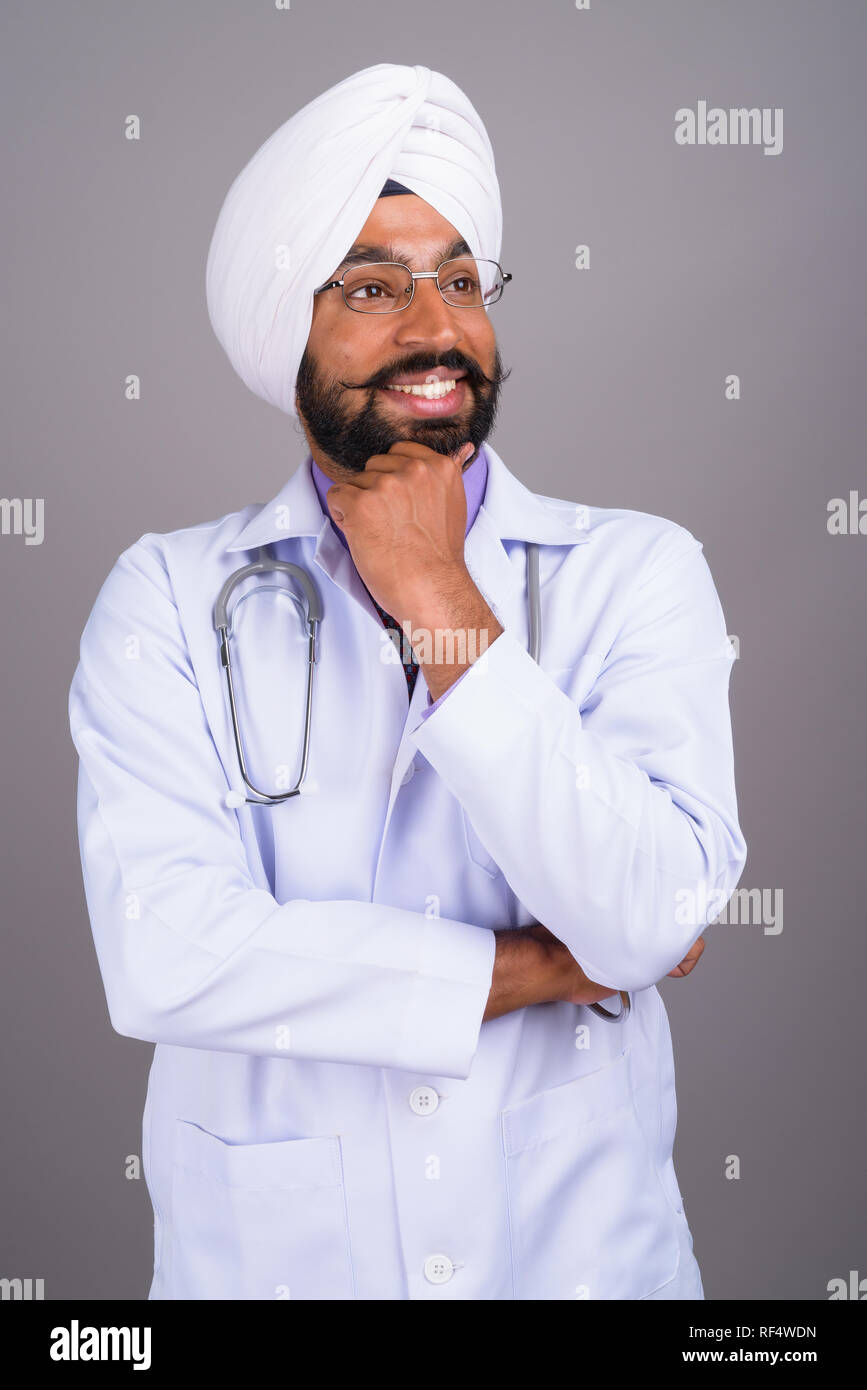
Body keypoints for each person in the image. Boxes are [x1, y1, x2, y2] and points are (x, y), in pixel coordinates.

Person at [68, 63, 746, 1301]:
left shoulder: (638, 571)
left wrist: (443, 604)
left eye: (460, 279)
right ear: (291, 336)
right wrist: (538, 968)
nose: (437, 328)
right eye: (374, 286)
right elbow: (168, 958)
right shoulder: (163, 598)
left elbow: (651, 918)